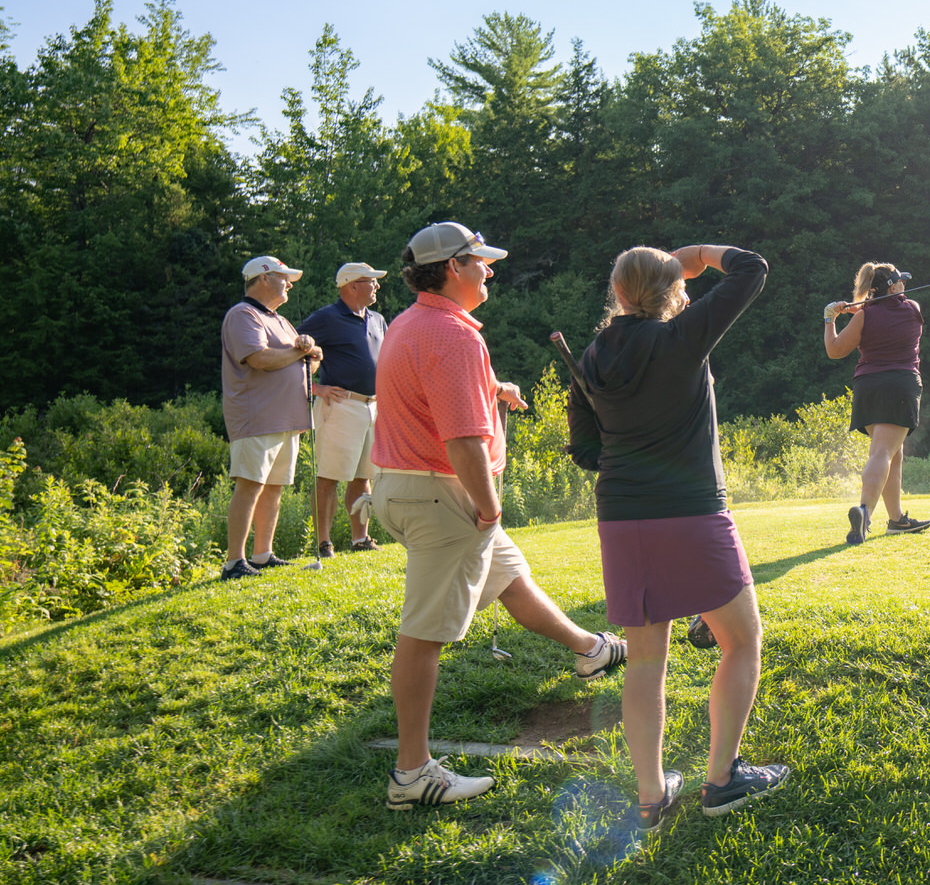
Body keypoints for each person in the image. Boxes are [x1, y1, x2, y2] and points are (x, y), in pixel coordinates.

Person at [372, 221, 628, 811]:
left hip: (404, 487)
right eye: (480, 261)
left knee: (510, 576)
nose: (489, 269)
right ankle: (411, 773)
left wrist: (493, 389)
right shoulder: (453, 336)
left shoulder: (413, 323)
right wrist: (487, 505)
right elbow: (462, 441)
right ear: (452, 268)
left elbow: (432, 389)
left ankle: (589, 649)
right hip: (443, 496)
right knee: (425, 632)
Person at [567, 243, 790, 824]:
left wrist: (628, 443)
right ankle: (722, 779)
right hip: (692, 511)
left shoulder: (590, 357)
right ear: (674, 293)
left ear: (618, 292)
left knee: (644, 662)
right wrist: (698, 254)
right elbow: (753, 267)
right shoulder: (681, 338)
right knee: (742, 641)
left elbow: (587, 451)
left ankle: (650, 795)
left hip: (622, 516)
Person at [220, 256, 322, 580]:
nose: (289, 283)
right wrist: (301, 351)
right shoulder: (243, 314)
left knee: (274, 487)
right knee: (250, 485)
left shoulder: (281, 320)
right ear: (263, 278)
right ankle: (233, 562)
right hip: (256, 416)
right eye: (283, 277)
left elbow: (304, 365)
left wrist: (313, 354)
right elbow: (259, 359)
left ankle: (262, 555)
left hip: (286, 419)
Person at [824, 261, 930, 546]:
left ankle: (896, 519)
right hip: (900, 385)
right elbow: (889, 313)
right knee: (883, 452)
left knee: (893, 453)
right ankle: (865, 512)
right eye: (901, 282)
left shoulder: (864, 316)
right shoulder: (913, 309)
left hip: (868, 387)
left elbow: (834, 350)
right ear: (893, 287)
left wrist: (830, 318)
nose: (905, 286)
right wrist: (860, 309)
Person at [300, 262, 389, 558]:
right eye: (371, 281)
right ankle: (324, 543)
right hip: (339, 405)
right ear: (352, 286)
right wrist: (315, 389)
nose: (377, 286)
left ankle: (360, 539)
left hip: (372, 406)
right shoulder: (326, 318)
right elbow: (293, 351)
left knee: (363, 476)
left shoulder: (377, 319)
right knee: (329, 476)